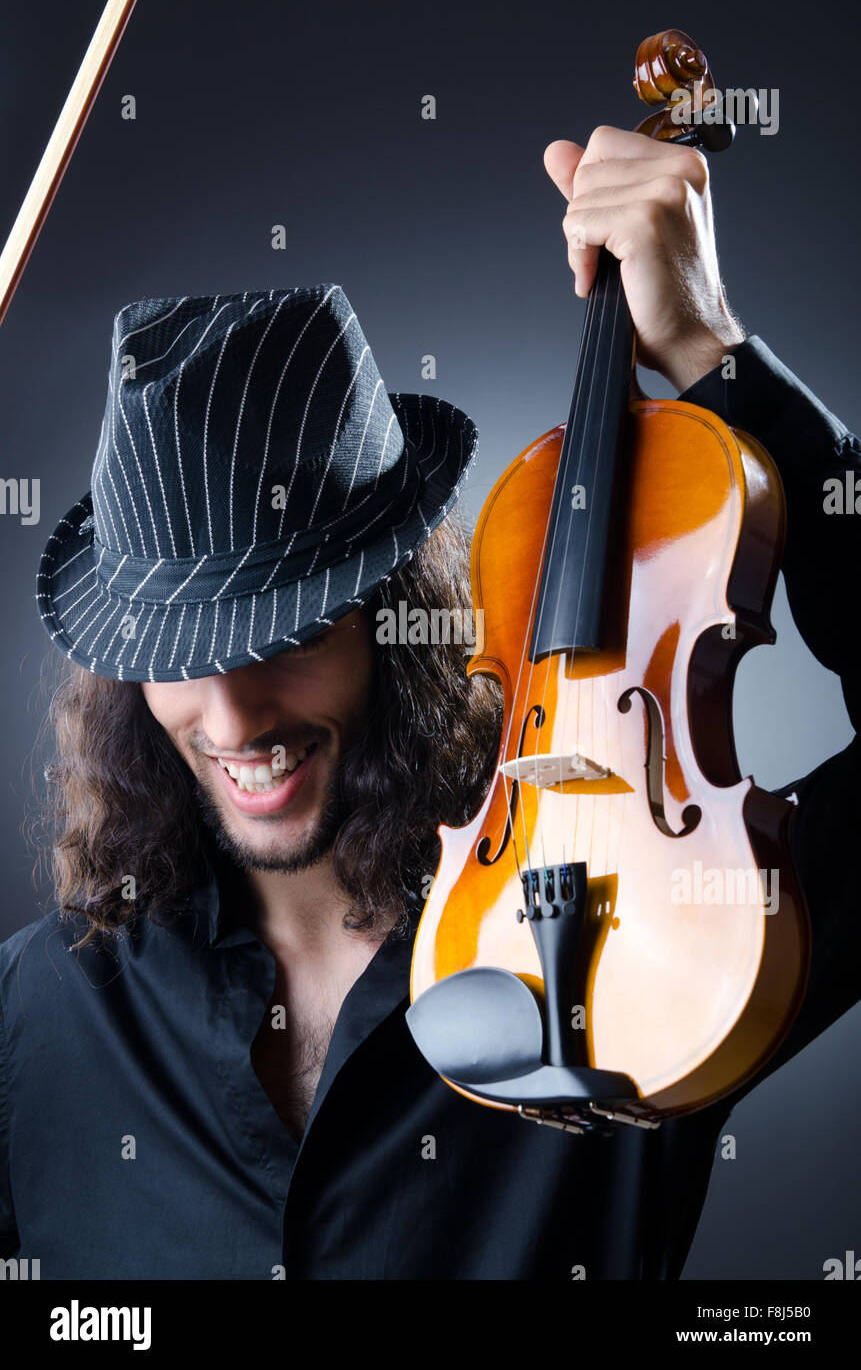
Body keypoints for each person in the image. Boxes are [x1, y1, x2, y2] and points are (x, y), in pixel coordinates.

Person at [1, 127, 857, 1280]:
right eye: (178, 651)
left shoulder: (673, 933)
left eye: (289, 631)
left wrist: (714, 354)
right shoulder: (31, 1014)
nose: (236, 718)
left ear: (391, 609)